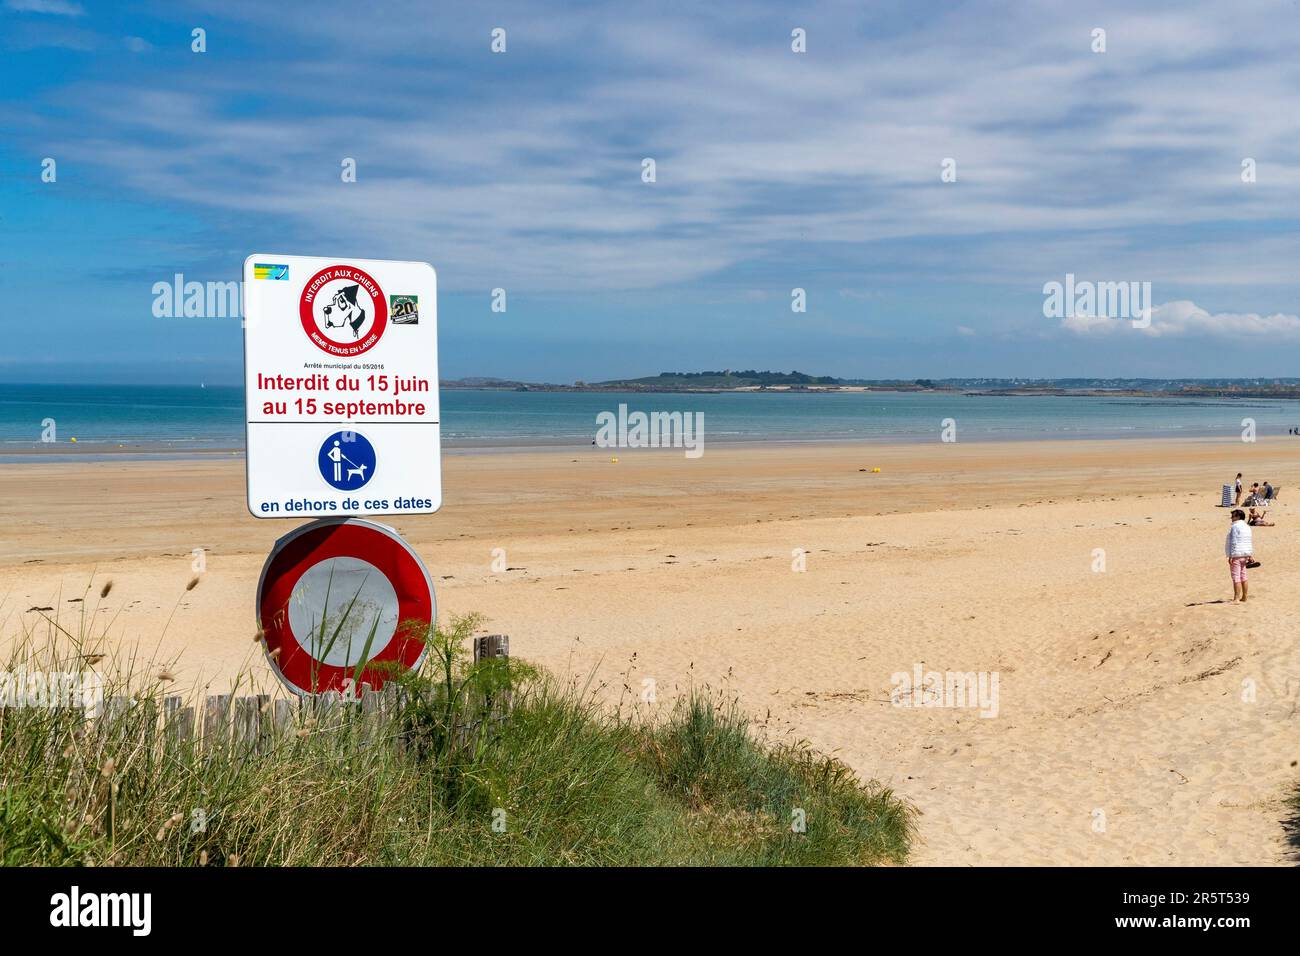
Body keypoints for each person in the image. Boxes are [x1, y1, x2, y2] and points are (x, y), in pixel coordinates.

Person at [1225, 509, 1254, 602]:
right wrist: (1250, 554)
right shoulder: (1247, 527)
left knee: (1236, 577)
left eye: (1233, 516)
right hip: (1245, 554)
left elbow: (1233, 541)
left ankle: (1236, 598)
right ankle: (1244, 597)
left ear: (1238, 517)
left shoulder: (1235, 527)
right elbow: (1249, 541)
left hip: (1236, 555)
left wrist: (1230, 555)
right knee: (1243, 576)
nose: (1232, 518)